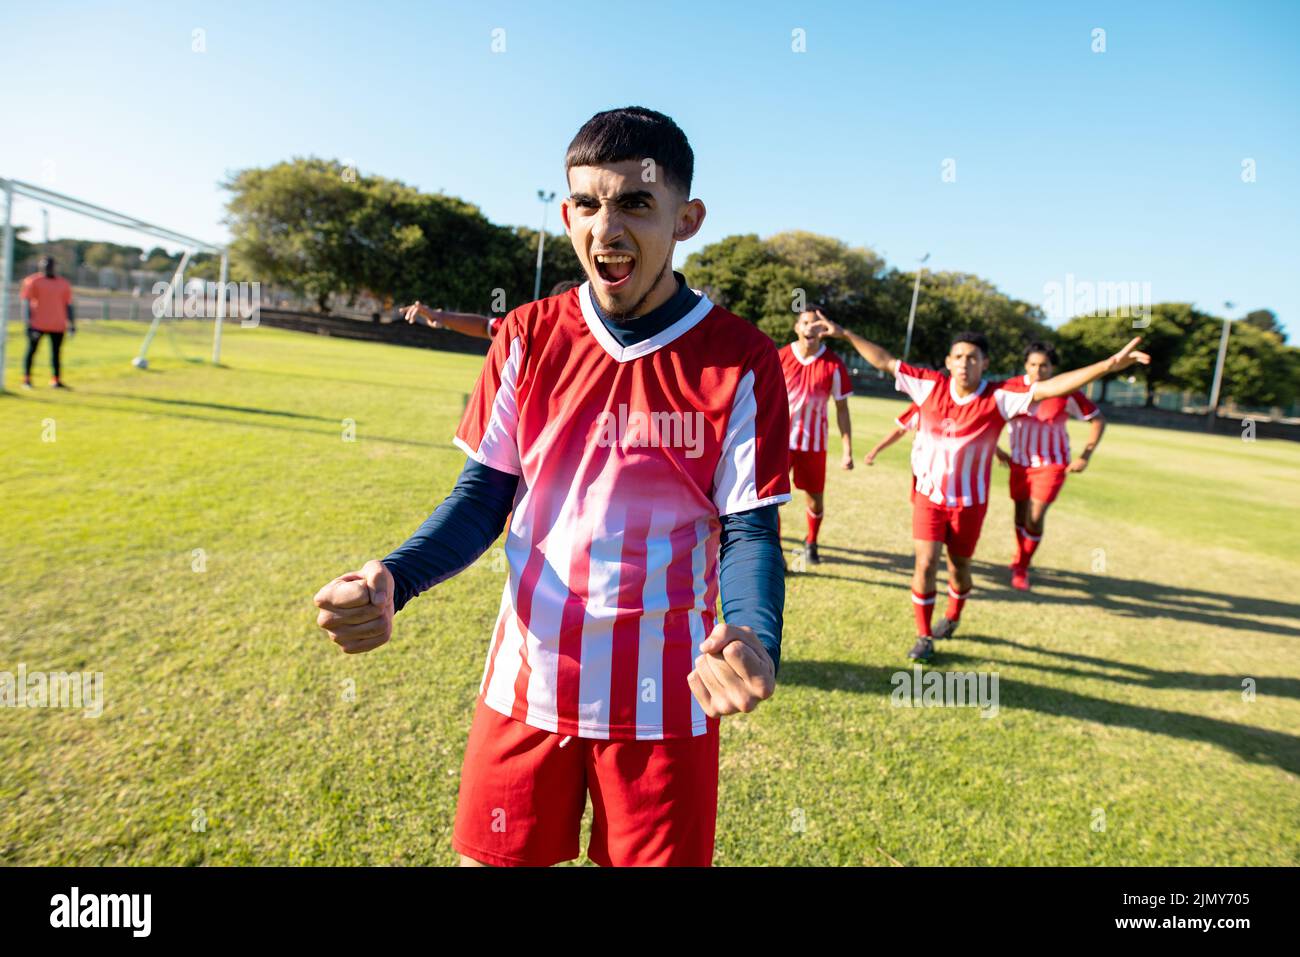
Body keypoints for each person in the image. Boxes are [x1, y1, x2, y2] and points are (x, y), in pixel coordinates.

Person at [312, 107, 789, 867]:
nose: (607, 228)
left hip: (666, 704)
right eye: (588, 205)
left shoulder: (742, 358)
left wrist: (756, 632)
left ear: (686, 218)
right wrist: (394, 577)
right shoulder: (529, 335)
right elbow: (482, 500)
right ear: (567, 214)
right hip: (525, 683)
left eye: (636, 202)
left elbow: (750, 530)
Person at [810, 317, 1147, 662]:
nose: (964, 363)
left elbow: (1052, 388)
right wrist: (847, 334)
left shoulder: (1001, 396)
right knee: (925, 564)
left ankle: (954, 614)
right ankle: (924, 636)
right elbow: (884, 360)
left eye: (973, 357)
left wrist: (1108, 365)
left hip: (970, 504)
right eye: (958, 356)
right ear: (948, 361)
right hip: (929, 498)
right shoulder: (928, 385)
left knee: (959, 569)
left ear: (985, 363)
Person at [995, 341, 1106, 591]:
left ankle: (1021, 566)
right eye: (1033, 364)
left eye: (1044, 365)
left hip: (1051, 465)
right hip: (1019, 464)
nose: (1038, 370)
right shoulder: (1010, 388)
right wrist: (995, 449)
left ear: (1052, 368)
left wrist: (1085, 455)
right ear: (1025, 365)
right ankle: (1019, 556)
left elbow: (1097, 419)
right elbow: (987, 417)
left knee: (1035, 516)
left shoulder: (1065, 391)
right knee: (1020, 513)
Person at [777, 307, 853, 565]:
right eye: (806, 322)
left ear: (824, 330)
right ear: (797, 327)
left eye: (817, 324)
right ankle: (776, 551)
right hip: (780, 442)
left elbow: (842, 409)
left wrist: (847, 450)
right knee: (772, 499)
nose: (810, 327)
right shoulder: (780, 357)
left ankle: (811, 542)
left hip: (814, 444)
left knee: (815, 500)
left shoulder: (834, 364)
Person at [404, 280, 583, 339]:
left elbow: (484, 326)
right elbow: (485, 326)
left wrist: (440, 315)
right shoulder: (533, 331)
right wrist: (439, 315)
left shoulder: (605, 340)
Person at [19, 256, 75, 389]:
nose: (48, 268)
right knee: (32, 351)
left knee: (56, 353)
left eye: (50, 265)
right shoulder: (32, 281)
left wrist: (72, 324)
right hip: (37, 324)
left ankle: (56, 380)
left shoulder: (63, 283)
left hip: (57, 325)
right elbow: (26, 302)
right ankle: (27, 379)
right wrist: (28, 324)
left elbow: (68, 305)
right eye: (45, 265)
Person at [864, 401, 920, 467]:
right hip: (924, 460)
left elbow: (900, 431)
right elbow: (900, 431)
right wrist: (874, 451)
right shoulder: (922, 401)